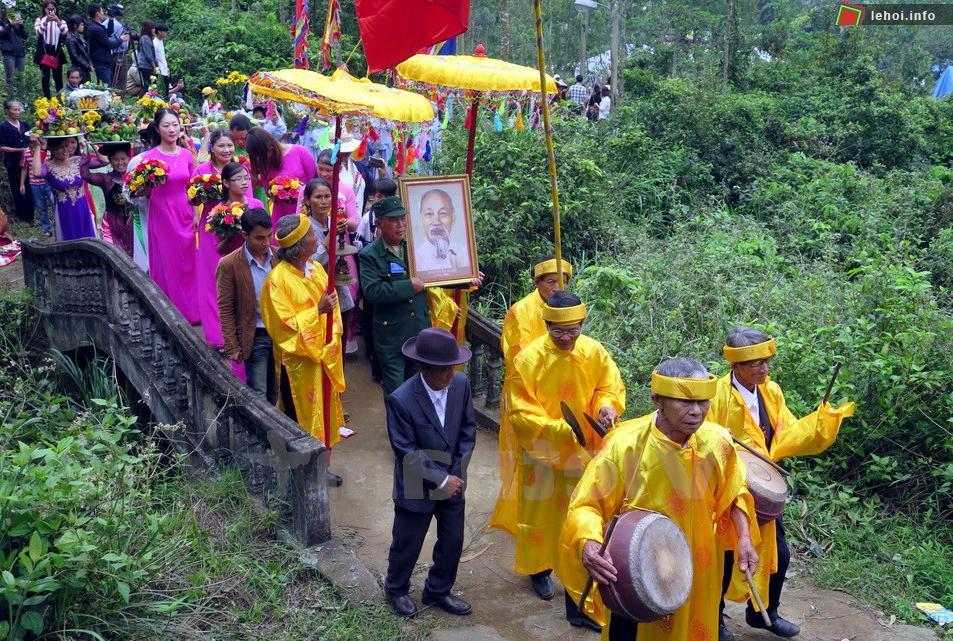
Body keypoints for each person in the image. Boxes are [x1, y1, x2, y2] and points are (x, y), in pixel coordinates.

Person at [559, 357, 760, 641]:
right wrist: (589, 542)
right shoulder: (625, 444)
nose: (697, 412)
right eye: (686, 403)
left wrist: (744, 537)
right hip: (635, 565)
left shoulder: (717, 441)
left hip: (700, 560)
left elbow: (734, 491)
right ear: (657, 400)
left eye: (703, 402)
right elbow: (587, 504)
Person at [707, 327, 856, 641]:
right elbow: (708, 440)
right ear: (736, 366)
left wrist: (819, 422)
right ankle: (713, 619)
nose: (764, 368)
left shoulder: (771, 391)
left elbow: (786, 432)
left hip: (764, 490)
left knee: (780, 554)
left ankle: (763, 613)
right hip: (731, 490)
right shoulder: (718, 395)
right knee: (728, 555)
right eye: (756, 364)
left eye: (766, 361)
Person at [492, 291, 625, 629]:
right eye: (559, 331)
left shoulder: (593, 351)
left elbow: (607, 388)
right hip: (544, 455)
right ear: (547, 325)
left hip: (585, 455)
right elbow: (521, 412)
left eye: (574, 329)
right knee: (543, 521)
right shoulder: (529, 359)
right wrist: (562, 430)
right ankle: (540, 570)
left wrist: (606, 407)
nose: (567, 337)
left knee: (582, 523)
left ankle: (579, 603)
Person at [383, 327, 476, 618]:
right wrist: (441, 479)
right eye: (443, 369)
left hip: (453, 479)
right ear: (424, 368)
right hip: (417, 483)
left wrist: (455, 474)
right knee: (407, 541)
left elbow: (468, 431)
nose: (451, 373)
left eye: (453, 367)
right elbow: (405, 451)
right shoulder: (401, 399)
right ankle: (396, 589)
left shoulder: (461, 385)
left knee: (452, 540)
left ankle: (438, 590)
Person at [489, 255, 572, 541]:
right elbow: (518, 359)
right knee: (529, 466)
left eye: (563, 281)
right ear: (537, 282)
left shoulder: (568, 308)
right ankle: (527, 527)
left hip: (562, 401)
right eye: (551, 282)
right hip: (529, 397)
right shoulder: (521, 311)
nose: (557, 288)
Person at [260, 213, 346, 483]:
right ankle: (304, 473)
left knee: (326, 413)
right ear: (300, 245)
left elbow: (335, 311)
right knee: (301, 416)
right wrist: (316, 311)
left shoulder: (316, 269)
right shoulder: (277, 281)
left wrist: (331, 341)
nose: (315, 238)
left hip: (323, 357)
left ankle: (322, 466)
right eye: (311, 235)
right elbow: (282, 326)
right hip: (297, 365)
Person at [357, 196, 434, 396]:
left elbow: (439, 272)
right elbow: (372, 291)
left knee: (418, 388)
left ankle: (414, 428)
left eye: (402, 219)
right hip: (391, 335)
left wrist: (466, 277)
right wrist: (409, 285)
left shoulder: (417, 247)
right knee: (396, 392)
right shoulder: (369, 255)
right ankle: (398, 428)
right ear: (379, 223)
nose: (400, 225)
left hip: (418, 330)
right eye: (393, 220)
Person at [194, 158, 264, 347]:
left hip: (257, 264)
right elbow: (220, 248)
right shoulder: (219, 212)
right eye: (238, 179)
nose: (244, 183)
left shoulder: (256, 204)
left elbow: (266, 237)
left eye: (246, 178)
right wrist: (232, 235)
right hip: (233, 266)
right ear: (225, 183)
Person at [141, 108, 197, 323]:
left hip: (185, 212)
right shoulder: (150, 157)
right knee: (169, 262)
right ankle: (171, 312)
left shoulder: (186, 155)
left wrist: (195, 214)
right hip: (163, 215)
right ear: (158, 129)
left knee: (189, 262)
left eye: (175, 124)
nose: (172, 129)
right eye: (166, 125)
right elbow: (142, 192)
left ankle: (193, 310)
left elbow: (192, 187)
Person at [216, 207, 275, 400]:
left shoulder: (279, 259)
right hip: (255, 336)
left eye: (269, 236)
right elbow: (225, 307)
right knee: (259, 394)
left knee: (277, 392)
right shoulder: (229, 264)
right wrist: (232, 345)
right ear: (244, 235)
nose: (266, 243)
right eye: (259, 238)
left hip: (281, 335)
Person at [29, 135, 97, 240]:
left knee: (88, 240)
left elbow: (104, 161)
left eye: (66, 146)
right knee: (70, 241)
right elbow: (36, 172)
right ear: (52, 149)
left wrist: (90, 143)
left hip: (83, 207)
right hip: (64, 211)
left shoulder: (78, 161)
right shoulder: (48, 167)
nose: (66, 150)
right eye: (61, 147)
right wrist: (38, 147)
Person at [247, 127, 316, 229]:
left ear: (270, 147)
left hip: (305, 214)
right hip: (281, 218)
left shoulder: (300, 152)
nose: (260, 159)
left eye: (261, 155)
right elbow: (268, 193)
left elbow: (314, 183)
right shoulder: (264, 164)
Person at [80, 142, 132, 254]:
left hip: (133, 222)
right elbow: (85, 175)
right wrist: (85, 153)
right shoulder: (106, 179)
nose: (120, 163)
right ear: (110, 160)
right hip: (113, 223)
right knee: (117, 255)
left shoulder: (136, 176)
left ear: (129, 158)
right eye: (115, 159)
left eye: (123, 159)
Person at [412, 188, 469, 275]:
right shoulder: (415, 259)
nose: (436, 222)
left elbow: (468, 280)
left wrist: (473, 276)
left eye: (443, 213)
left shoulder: (465, 253)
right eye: (429, 214)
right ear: (421, 220)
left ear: (453, 218)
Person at [0, 100, 34, 225]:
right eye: (14, 109)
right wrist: (20, 149)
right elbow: (2, 147)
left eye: (18, 109)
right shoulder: (3, 126)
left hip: (28, 161)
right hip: (13, 163)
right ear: (7, 111)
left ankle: (31, 216)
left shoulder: (25, 124)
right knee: (17, 188)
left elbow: (31, 139)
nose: (17, 112)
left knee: (30, 187)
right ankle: (22, 217)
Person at [19, 140, 54, 237]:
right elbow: (24, 168)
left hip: (48, 183)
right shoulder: (26, 153)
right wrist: (22, 184)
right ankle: (47, 229)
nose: (33, 148)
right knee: (41, 207)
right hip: (34, 184)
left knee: (54, 204)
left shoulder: (47, 152)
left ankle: (57, 226)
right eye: (31, 146)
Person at [34, 1, 67, 98]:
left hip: (56, 51)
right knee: (45, 78)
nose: (51, 11)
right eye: (49, 9)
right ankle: (47, 99)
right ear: (45, 9)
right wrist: (46, 21)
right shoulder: (40, 20)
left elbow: (65, 32)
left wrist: (58, 21)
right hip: (44, 51)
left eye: (53, 9)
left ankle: (60, 99)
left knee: (58, 78)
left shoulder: (61, 21)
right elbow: (38, 33)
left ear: (56, 9)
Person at [85, 3, 125, 85]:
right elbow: (109, 44)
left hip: (103, 61)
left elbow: (109, 32)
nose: (104, 13)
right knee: (107, 88)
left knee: (108, 86)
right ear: (97, 14)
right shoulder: (95, 28)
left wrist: (111, 19)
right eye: (102, 11)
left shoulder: (96, 26)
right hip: (100, 62)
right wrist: (121, 39)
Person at [0, 10, 27, 99]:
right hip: (8, 53)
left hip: (19, 52)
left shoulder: (15, 17)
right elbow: (2, 34)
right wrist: (10, 24)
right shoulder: (1, 20)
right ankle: (11, 102)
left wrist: (21, 25)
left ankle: (21, 101)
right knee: (10, 78)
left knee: (20, 77)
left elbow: (24, 36)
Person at [104, 3, 127, 88]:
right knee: (121, 80)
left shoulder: (104, 23)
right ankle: (119, 99)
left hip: (107, 55)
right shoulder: (118, 25)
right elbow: (123, 45)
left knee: (110, 79)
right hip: (119, 55)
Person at [64, 15, 91, 82]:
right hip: (78, 68)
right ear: (75, 25)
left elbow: (85, 52)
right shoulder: (70, 38)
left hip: (83, 67)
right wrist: (87, 65)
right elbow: (75, 55)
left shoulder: (79, 36)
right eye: (81, 25)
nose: (83, 27)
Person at [134, 20, 156, 94]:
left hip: (145, 65)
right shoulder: (146, 38)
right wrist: (154, 66)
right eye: (153, 28)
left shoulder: (147, 38)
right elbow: (148, 54)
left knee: (149, 85)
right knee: (148, 85)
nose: (154, 30)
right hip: (145, 65)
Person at [153, 23, 168, 97]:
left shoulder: (161, 41)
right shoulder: (154, 43)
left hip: (164, 69)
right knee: (161, 93)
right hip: (159, 72)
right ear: (159, 32)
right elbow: (154, 58)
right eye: (164, 31)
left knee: (166, 92)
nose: (166, 33)